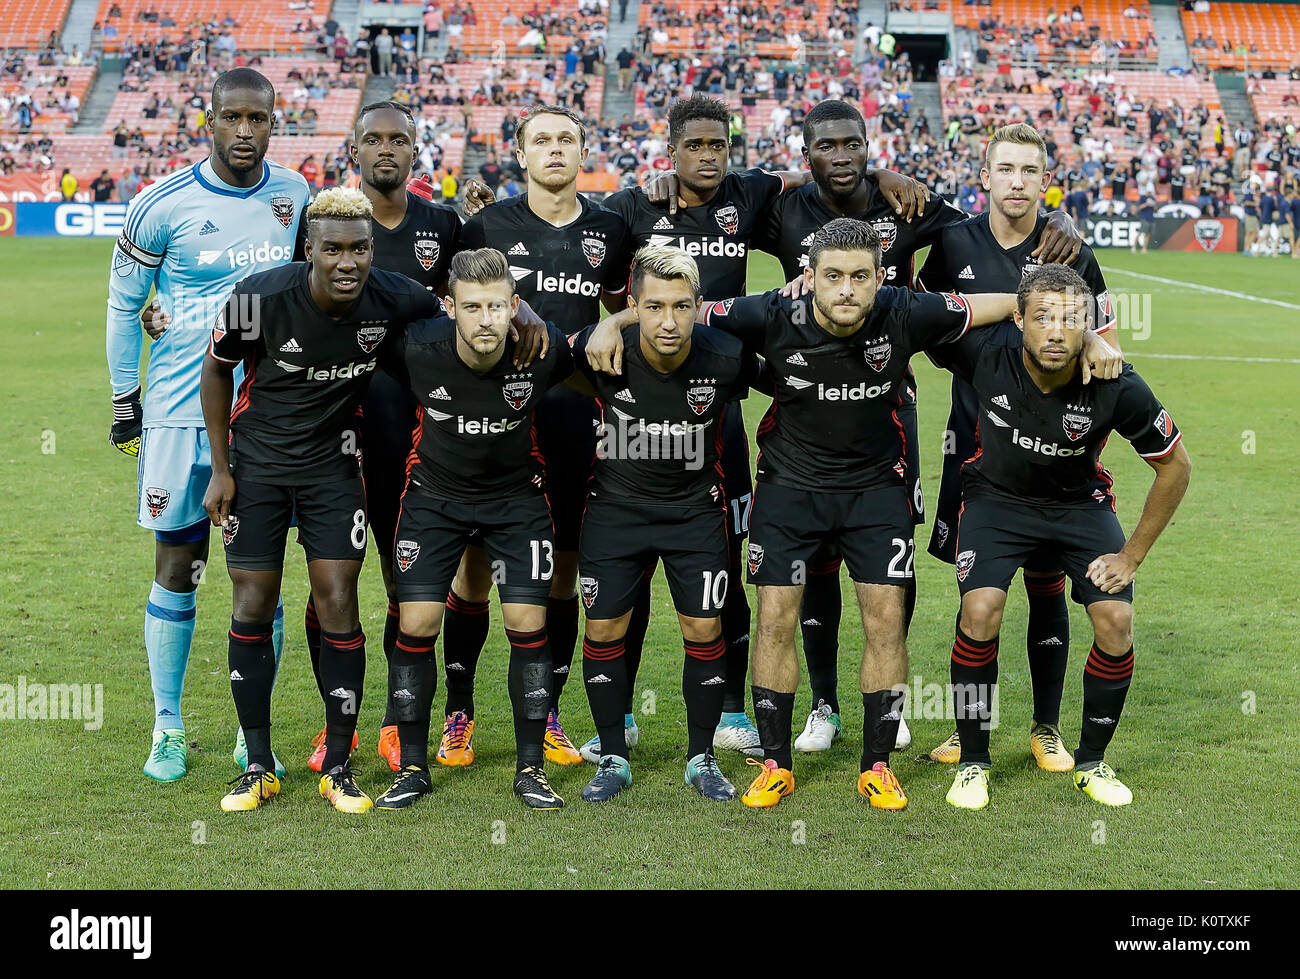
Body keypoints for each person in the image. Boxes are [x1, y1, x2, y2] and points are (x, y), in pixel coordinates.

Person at [586, 218, 1041, 811]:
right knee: (776, 614)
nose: (846, 290)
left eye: (859, 277)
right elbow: (677, 308)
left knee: (883, 616)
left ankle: (876, 764)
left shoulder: (907, 311)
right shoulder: (769, 312)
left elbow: (1014, 302)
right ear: (810, 277)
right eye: (832, 276)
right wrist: (615, 319)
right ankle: (776, 762)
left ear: (881, 278)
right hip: (789, 488)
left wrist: (1097, 337)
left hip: (875, 489)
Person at [754, 102, 1084, 754]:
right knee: (815, 559)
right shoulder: (782, 212)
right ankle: (823, 703)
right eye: (828, 146)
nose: (842, 156)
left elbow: (991, 227)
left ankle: (889, 700)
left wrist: (1058, 216)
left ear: (870, 145)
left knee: (885, 558)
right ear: (807, 151)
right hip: (804, 404)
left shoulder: (905, 207)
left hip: (887, 406)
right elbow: (710, 213)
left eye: (854, 143)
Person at [200, 187, 441, 813]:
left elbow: (458, 310)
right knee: (253, 600)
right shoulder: (260, 297)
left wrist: (519, 314)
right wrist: (221, 469)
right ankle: (257, 764)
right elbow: (216, 370)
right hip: (256, 466)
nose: (345, 262)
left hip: (333, 467)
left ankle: (338, 763)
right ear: (308, 247)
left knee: (338, 599)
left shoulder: (395, 296)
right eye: (331, 248)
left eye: (358, 248)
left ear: (371, 249)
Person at [106, 68, 309, 782]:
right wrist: (123, 397)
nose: (246, 131)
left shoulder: (295, 195)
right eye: (233, 118)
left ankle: (251, 729)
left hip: (265, 421)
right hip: (176, 417)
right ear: (211, 120)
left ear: (274, 122)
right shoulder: (159, 205)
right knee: (179, 565)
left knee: (261, 579)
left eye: (259, 119)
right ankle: (167, 726)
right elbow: (123, 305)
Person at [930, 264, 1190, 809]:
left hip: (1077, 508)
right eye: (1042, 317)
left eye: (1071, 320)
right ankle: (974, 762)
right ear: (1018, 319)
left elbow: (1176, 467)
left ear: (1091, 326)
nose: (1055, 331)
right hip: (996, 503)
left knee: (1116, 619)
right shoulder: (984, 350)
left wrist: (1131, 556)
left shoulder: (1118, 383)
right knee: (980, 610)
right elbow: (913, 314)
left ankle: (1093, 762)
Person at [916, 122, 1121, 769]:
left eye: (1029, 171)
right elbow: (926, 320)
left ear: (1044, 178)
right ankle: (966, 729)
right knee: (979, 593)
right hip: (974, 448)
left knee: (1047, 586)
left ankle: (1046, 726)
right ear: (985, 176)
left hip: (1053, 455)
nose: (1016, 182)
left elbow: (1109, 347)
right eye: (1005, 169)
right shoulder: (953, 242)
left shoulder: (1069, 249)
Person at [454, 104, 635, 765]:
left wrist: (617, 322)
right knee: (474, 568)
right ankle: (458, 711)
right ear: (521, 155)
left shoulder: (608, 229)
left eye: (566, 139)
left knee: (562, 567)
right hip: (493, 417)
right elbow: (450, 305)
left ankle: (549, 712)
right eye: (541, 140)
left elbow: (636, 306)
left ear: (582, 152)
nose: (554, 149)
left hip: (572, 416)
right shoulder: (486, 226)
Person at [374, 247, 571, 810]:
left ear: (516, 307)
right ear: (450, 308)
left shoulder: (541, 348)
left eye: (496, 306)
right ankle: (412, 767)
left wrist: (625, 318)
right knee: (416, 620)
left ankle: (530, 769)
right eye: (472, 307)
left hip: (516, 500)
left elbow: (604, 351)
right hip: (434, 498)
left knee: (527, 620)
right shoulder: (417, 346)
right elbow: (344, 328)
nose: (486, 320)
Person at [572, 244, 753, 803]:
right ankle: (613, 757)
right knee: (603, 631)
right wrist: (608, 324)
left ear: (699, 305)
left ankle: (701, 758)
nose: (668, 321)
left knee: (704, 630)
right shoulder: (603, 353)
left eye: (680, 306)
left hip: (695, 513)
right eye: (653, 307)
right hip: (614, 513)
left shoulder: (727, 355)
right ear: (634, 305)